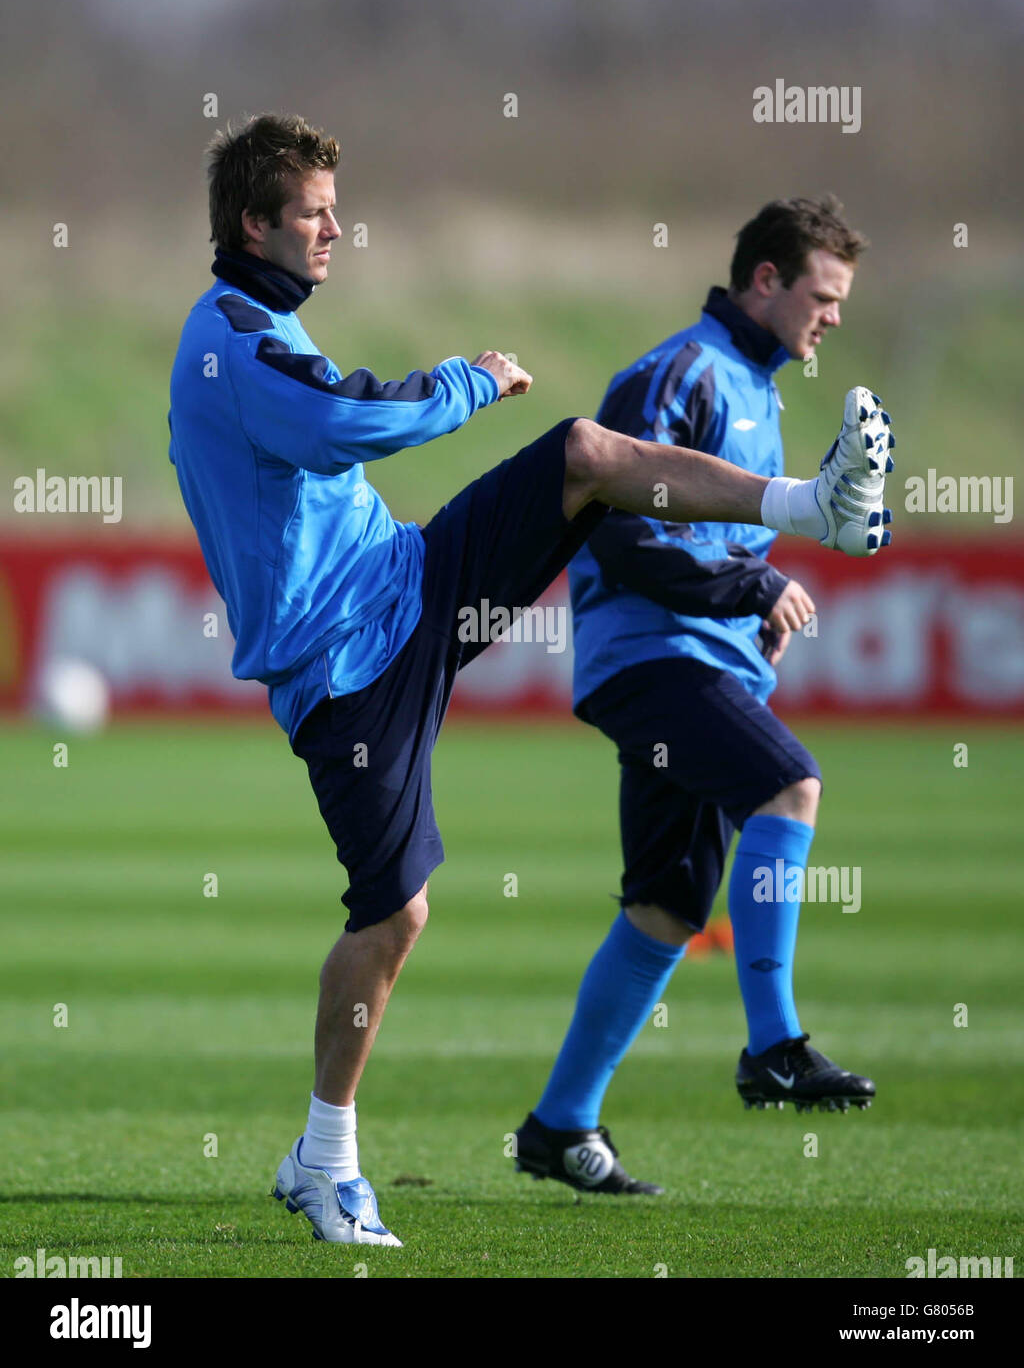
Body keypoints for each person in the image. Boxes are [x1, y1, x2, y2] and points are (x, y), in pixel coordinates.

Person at [168, 118, 893, 1245]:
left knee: (584, 455)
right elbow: (350, 419)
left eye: (331, 206)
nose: (333, 227)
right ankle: (323, 1158)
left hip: (402, 583)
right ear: (254, 222)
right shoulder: (230, 343)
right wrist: (467, 377)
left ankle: (810, 506)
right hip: (347, 669)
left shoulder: (250, 327)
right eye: (314, 210)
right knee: (395, 911)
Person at [514, 197, 893, 1198]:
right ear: (762, 281)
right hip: (650, 660)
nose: (835, 316)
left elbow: (697, 542)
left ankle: (558, 1125)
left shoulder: (756, 390)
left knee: (666, 907)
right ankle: (773, 1042)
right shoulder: (682, 371)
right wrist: (750, 585)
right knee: (788, 783)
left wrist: (746, 608)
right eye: (823, 293)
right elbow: (614, 521)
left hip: (692, 657)